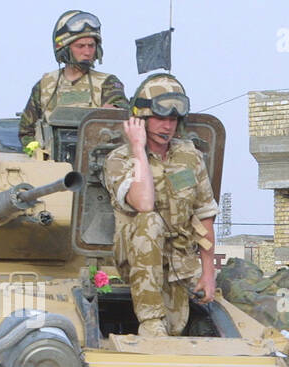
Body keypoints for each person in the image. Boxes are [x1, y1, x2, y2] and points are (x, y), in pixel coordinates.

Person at [101, 74, 218, 338]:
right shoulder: (119, 160)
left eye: (173, 120)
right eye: (159, 118)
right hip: (136, 257)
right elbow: (143, 204)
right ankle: (150, 320)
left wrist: (209, 273)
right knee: (149, 220)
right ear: (140, 119)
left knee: (177, 330)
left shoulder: (190, 157)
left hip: (179, 260)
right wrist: (138, 149)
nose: (167, 126)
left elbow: (205, 215)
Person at [18, 10, 129, 155]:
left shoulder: (107, 83)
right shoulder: (45, 85)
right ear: (65, 49)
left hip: (94, 163)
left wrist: (113, 112)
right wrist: (36, 153)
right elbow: (25, 132)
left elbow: (122, 115)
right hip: (51, 166)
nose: (87, 52)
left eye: (91, 46)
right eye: (80, 46)